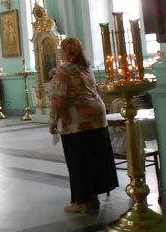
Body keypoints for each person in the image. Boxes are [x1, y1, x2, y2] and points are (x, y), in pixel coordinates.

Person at [49, 37, 118, 214]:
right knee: (94, 159)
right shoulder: (85, 68)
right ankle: (92, 198)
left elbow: (58, 98)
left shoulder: (64, 70)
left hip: (77, 122)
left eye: (61, 49)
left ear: (67, 52)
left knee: (78, 161)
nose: (59, 52)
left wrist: (53, 121)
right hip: (97, 118)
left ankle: (81, 202)